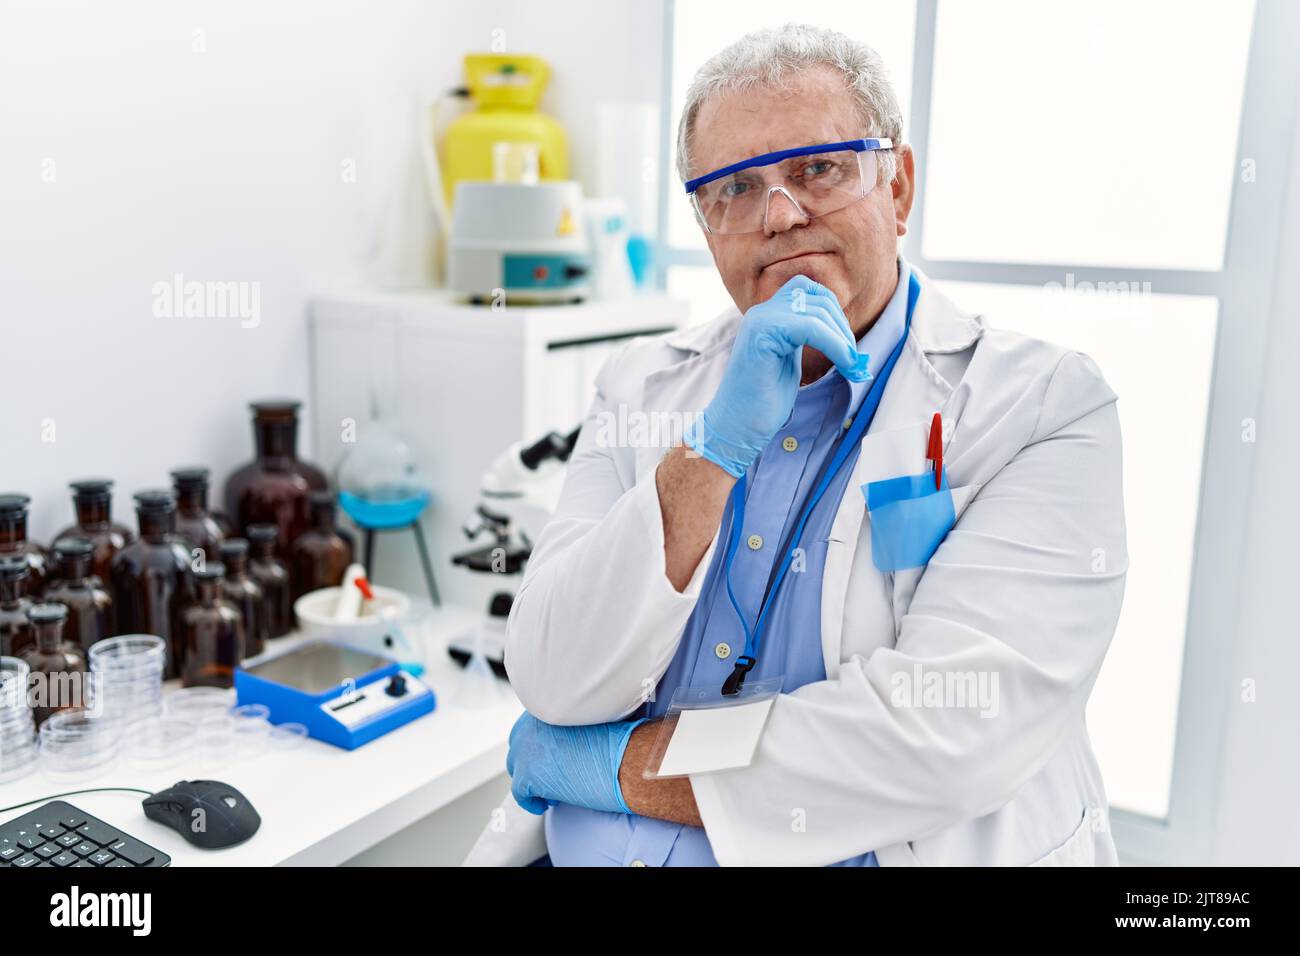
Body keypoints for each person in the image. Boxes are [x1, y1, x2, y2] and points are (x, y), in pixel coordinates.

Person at [492, 22, 1127, 867]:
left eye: (818, 170)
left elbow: (939, 739)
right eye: (735, 187)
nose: (781, 216)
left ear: (898, 187)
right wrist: (712, 451)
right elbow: (553, 670)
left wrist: (614, 768)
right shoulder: (639, 388)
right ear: (706, 224)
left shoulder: (1043, 406)